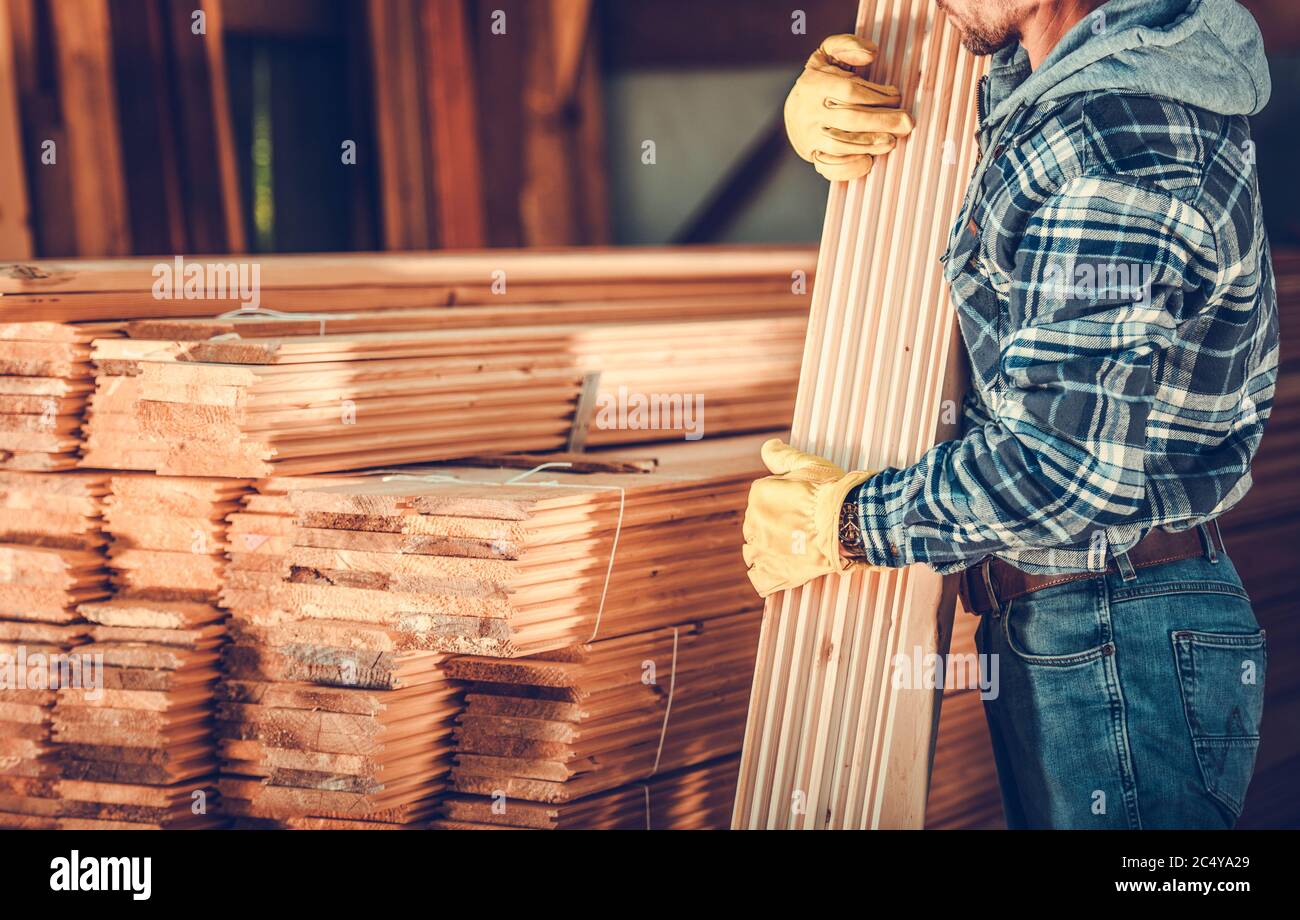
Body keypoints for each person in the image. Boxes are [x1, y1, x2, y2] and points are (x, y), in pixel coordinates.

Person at [743, 0, 1277, 829]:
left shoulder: (1115, 144)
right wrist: (870, 108)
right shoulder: (1081, 89)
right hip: (1097, 615)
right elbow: (1003, 153)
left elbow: (1063, 470)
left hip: (1113, 625)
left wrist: (845, 523)